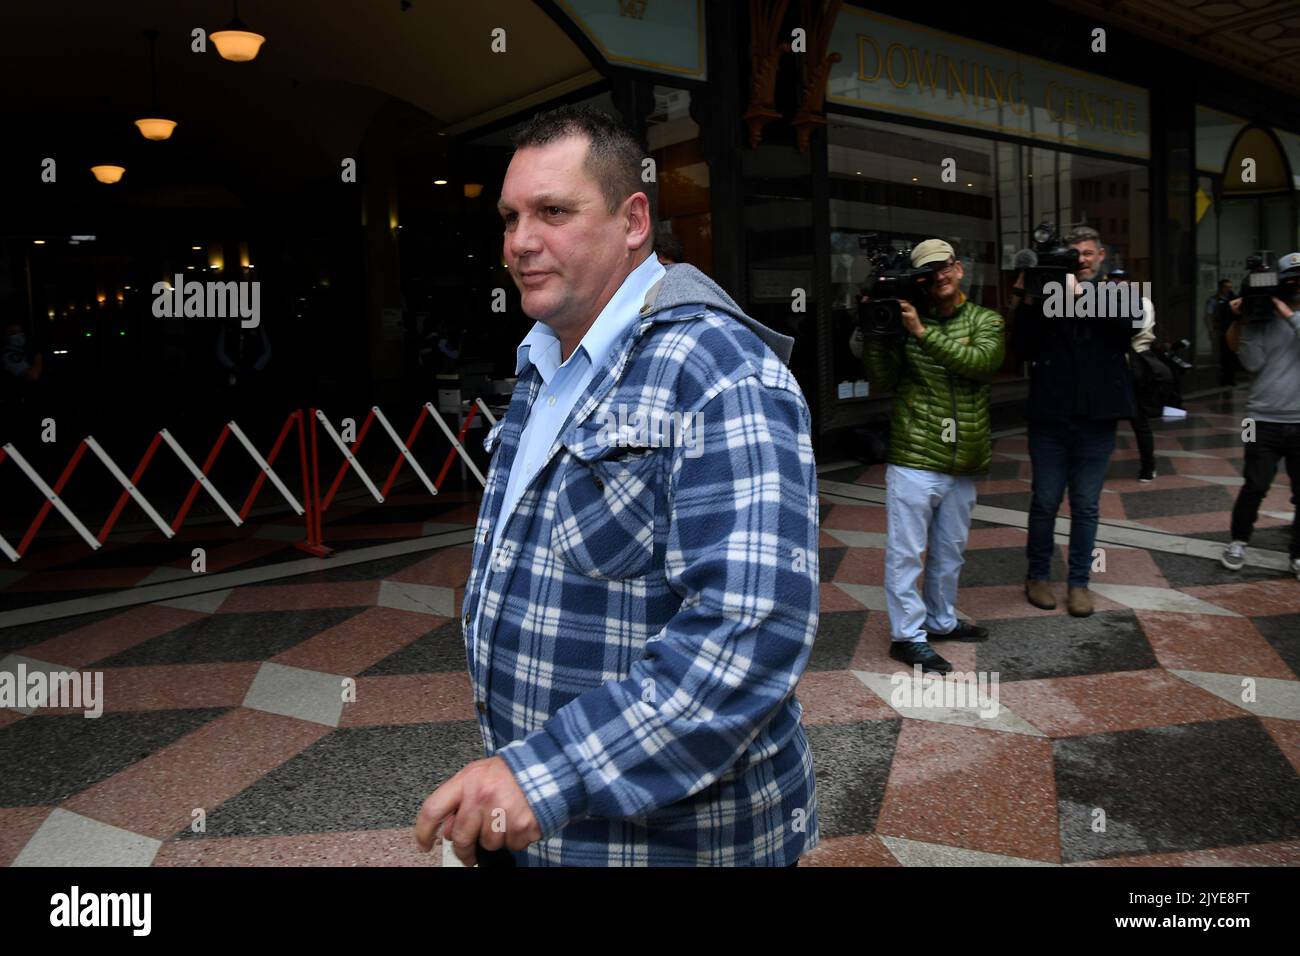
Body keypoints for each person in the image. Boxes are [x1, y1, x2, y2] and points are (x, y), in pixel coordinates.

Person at [414, 106, 819, 867]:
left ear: (634, 220)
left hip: (681, 846)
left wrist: (544, 775)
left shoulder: (717, 369)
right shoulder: (544, 359)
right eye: (510, 218)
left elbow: (750, 631)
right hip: (560, 832)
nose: (520, 242)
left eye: (554, 212)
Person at [861, 240, 1005, 675]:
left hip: (963, 458)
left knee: (950, 550)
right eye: (928, 272)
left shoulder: (986, 320)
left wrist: (923, 332)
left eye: (944, 267)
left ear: (959, 270)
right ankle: (907, 637)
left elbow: (981, 363)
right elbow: (881, 378)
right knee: (906, 552)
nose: (938, 276)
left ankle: (940, 620)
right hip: (914, 455)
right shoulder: (905, 321)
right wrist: (876, 333)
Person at [1012, 225, 1135, 617]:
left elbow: (1126, 328)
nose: (1080, 260)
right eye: (1073, 254)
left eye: (1087, 253)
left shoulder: (1117, 294)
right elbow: (1020, 347)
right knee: (1045, 501)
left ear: (1100, 257)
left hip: (1096, 421)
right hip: (1049, 418)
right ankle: (1037, 577)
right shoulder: (1046, 295)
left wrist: (1080, 295)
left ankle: (1079, 582)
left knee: (1085, 505)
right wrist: (1028, 295)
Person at [1219, 251, 1300, 580]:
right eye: (1291, 280)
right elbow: (1251, 363)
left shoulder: (1288, 315)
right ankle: (1238, 542)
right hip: (1257, 421)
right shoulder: (1261, 315)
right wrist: (1243, 319)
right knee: (1254, 484)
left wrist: (1289, 314)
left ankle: (1298, 556)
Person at [1206, 278, 1239, 387]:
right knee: (1220, 356)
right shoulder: (1214, 300)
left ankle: (1230, 378)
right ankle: (1222, 378)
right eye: (1226, 287)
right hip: (1220, 331)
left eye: (1230, 287)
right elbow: (1209, 316)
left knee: (1231, 355)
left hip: (1231, 330)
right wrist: (1211, 330)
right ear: (1221, 288)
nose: (1228, 290)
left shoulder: (1232, 299)